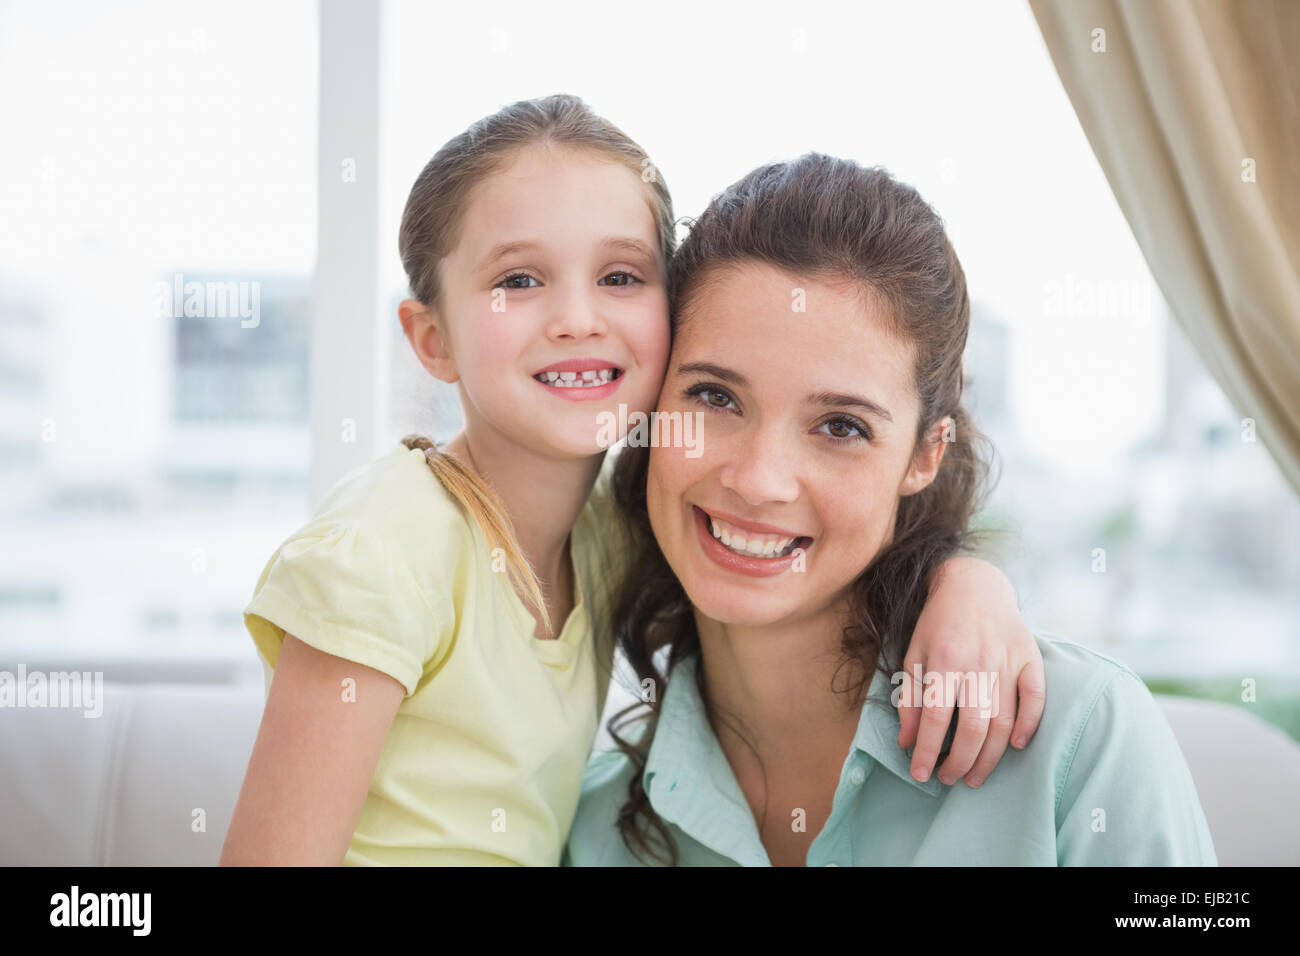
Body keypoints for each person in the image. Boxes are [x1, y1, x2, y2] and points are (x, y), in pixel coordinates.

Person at [221, 96, 1045, 866]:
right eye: (518, 279)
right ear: (431, 337)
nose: (578, 318)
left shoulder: (611, 533)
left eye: (619, 277)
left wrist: (969, 584)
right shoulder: (383, 549)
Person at [563, 154, 1217, 866]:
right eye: (715, 397)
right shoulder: (597, 826)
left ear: (924, 456)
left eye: (841, 425)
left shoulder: (1085, 741)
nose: (758, 481)